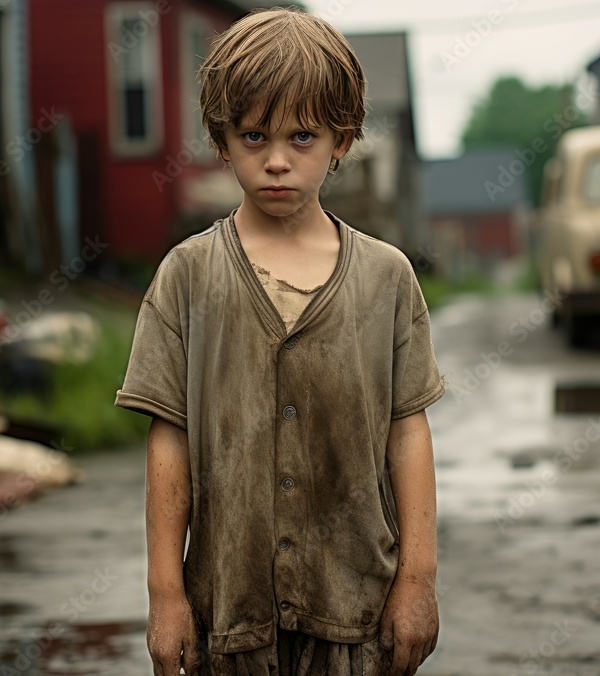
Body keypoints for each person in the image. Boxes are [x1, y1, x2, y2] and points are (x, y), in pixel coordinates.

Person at [114, 6, 446, 675]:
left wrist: (417, 579)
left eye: (302, 137)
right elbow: (168, 439)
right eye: (253, 136)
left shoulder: (386, 278)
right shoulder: (187, 277)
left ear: (342, 139)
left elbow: (406, 432)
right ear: (220, 138)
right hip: (227, 618)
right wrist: (165, 594)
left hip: (356, 612)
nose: (275, 162)